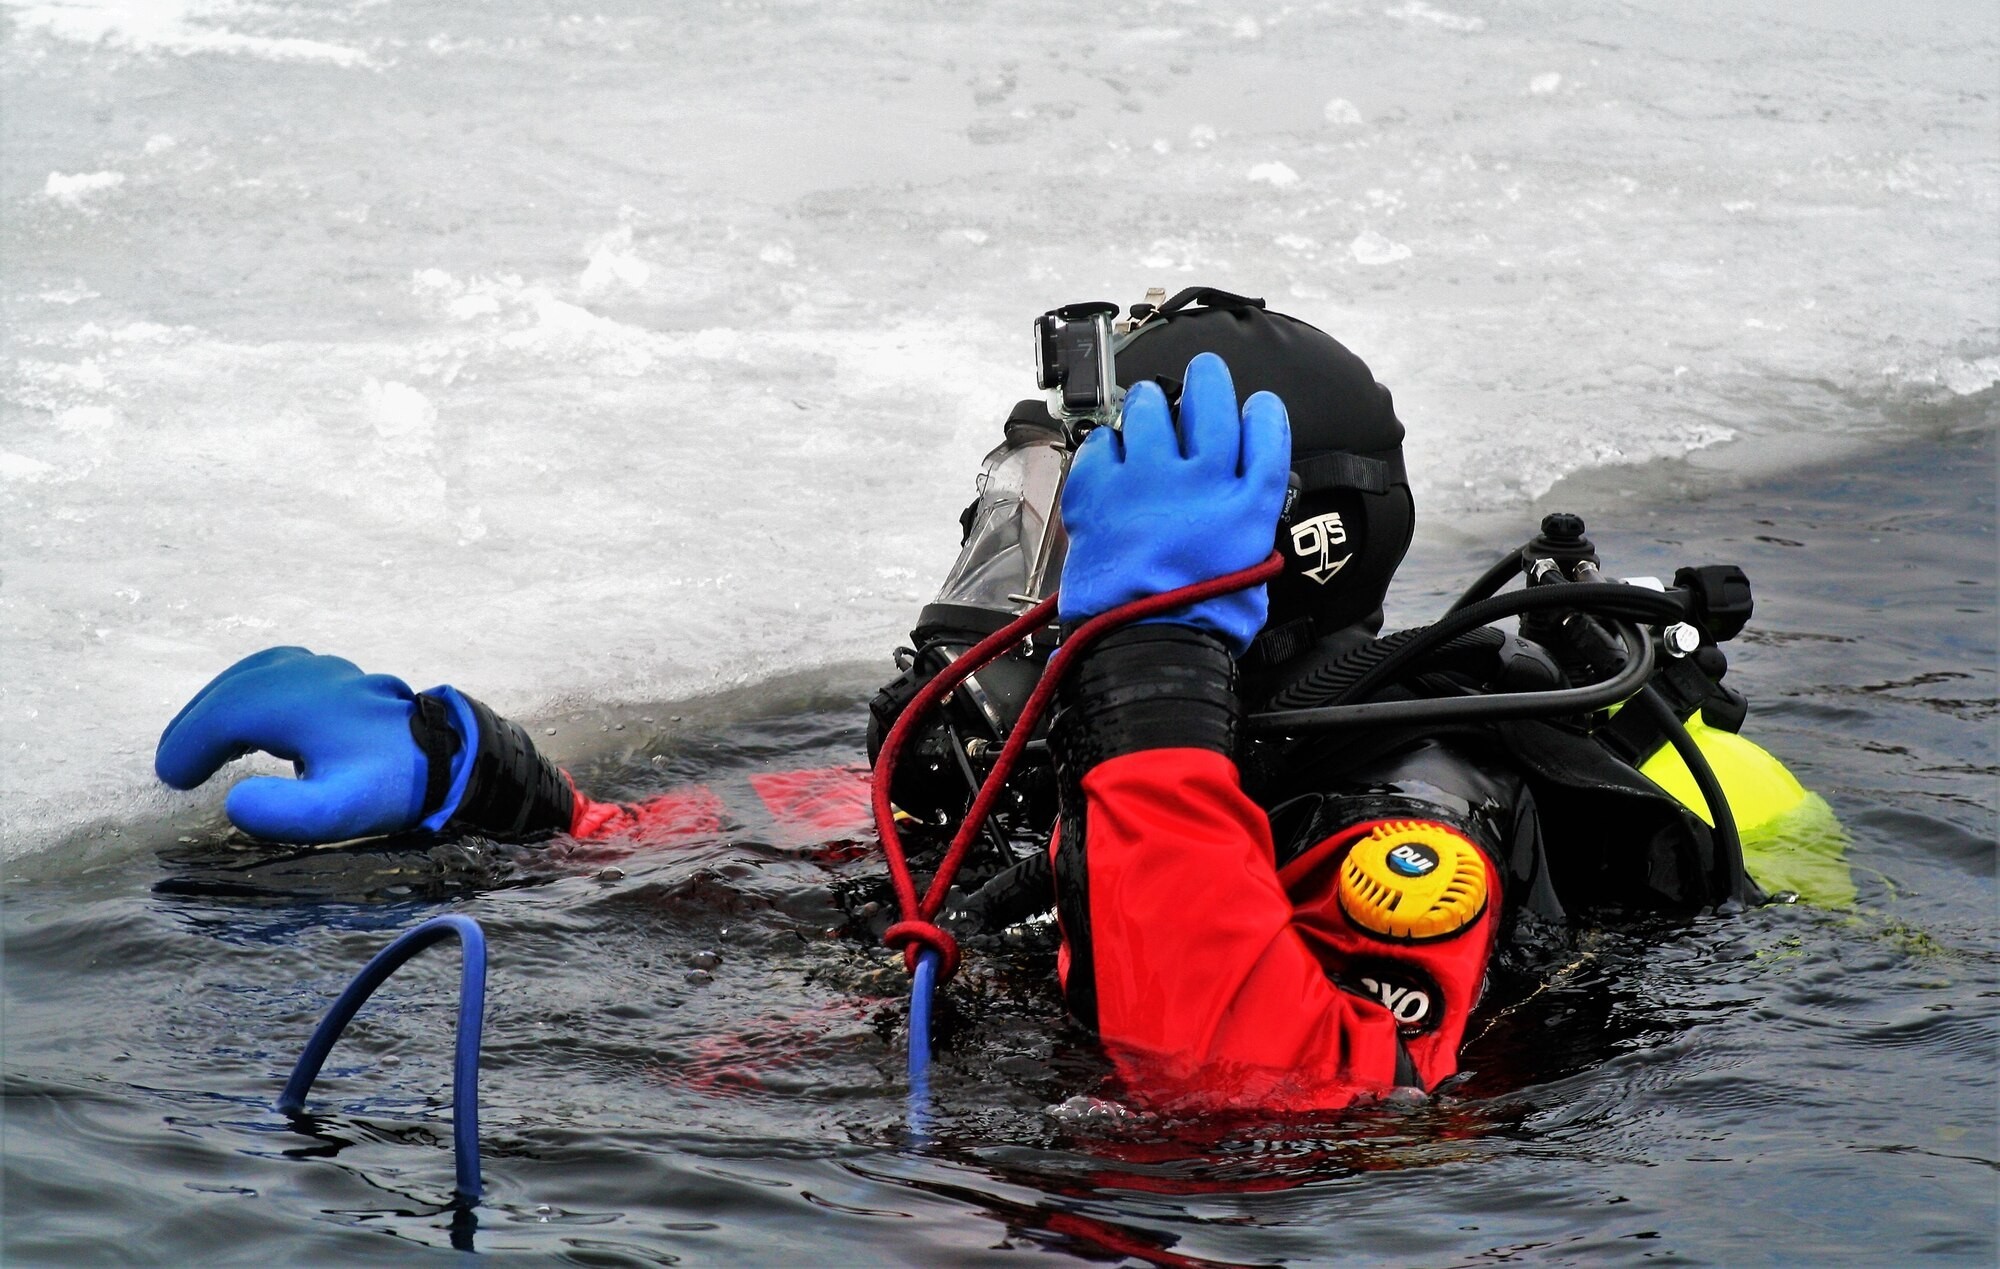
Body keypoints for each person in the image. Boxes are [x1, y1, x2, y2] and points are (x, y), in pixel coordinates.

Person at [155, 288, 1827, 1111]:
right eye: (1027, 520)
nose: (1029, 578)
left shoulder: (1415, 808)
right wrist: (495, 787)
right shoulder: (1071, 736)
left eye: (1077, 531)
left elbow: (1261, 1098)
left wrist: (1155, 675)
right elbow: (798, 837)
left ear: (1258, 559)